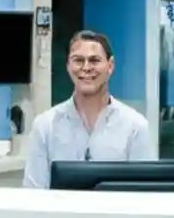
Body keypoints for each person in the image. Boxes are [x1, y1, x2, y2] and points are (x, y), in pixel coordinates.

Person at [22, 30, 154, 189]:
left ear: (110, 66)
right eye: (78, 60)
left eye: (94, 60)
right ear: (68, 66)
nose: (86, 68)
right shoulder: (44, 126)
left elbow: (144, 196)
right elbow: (33, 194)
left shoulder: (135, 126)